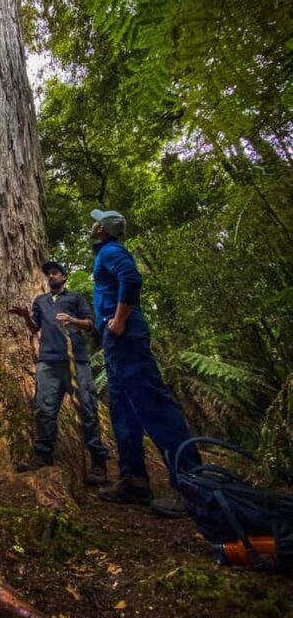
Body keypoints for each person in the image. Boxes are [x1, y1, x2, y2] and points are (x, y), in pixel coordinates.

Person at [90, 208, 200, 517]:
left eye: (96, 221)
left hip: (125, 336)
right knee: (123, 409)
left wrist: (120, 321)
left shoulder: (112, 251)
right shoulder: (106, 252)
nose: (93, 224)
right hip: (114, 341)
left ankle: (192, 486)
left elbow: (131, 279)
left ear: (102, 229)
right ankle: (134, 480)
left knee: (153, 405)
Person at [11, 260, 109, 485]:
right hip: (48, 362)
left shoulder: (74, 298)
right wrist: (27, 316)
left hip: (76, 360)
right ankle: (43, 456)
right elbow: (35, 328)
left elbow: (90, 324)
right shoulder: (41, 301)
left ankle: (98, 464)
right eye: (49, 274)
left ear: (64, 277)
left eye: (55, 273)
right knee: (44, 409)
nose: (51, 276)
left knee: (87, 408)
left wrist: (73, 320)